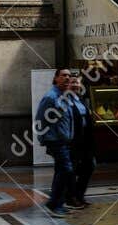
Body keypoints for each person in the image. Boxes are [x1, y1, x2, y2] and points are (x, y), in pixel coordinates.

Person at [37, 69, 79, 217]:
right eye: (63, 75)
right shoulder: (50, 97)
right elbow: (40, 119)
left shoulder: (64, 96)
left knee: (60, 171)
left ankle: (57, 204)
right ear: (56, 79)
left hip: (64, 141)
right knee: (67, 170)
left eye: (69, 75)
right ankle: (53, 204)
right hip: (55, 141)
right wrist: (44, 139)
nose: (67, 78)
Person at [66, 72, 95, 210]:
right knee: (71, 170)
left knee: (90, 165)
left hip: (85, 140)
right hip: (72, 141)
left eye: (77, 82)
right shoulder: (64, 101)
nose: (75, 85)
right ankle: (71, 198)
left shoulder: (81, 99)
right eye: (72, 82)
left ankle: (79, 195)